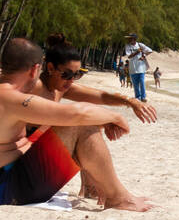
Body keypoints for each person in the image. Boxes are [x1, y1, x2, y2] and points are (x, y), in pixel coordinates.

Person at [0, 37, 131, 207]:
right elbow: (76, 114)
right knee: (82, 124)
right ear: (36, 69)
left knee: (77, 123)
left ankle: (94, 186)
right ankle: (118, 198)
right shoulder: (9, 98)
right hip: (5, 190)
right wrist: (116, 117)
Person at [32, 33, 155, 210]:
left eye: (77, 75)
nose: (71, 81)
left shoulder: (60, 86)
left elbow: (101, 96)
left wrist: (131, 102)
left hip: (39, 166)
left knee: (85, 121)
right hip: (27, 172)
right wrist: (109, 119)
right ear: (50, 68)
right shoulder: (37, 88)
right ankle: (116, 197)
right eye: (67, 74)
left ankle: (90, 188)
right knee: (83, 121)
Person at [123, 34, 153, 102]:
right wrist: (137, 51)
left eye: (131, 38)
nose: (129, 40)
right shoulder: (127, 46)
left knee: (142, 82)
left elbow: (150, 50)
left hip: (141, 68)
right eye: (129, 39)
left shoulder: (140, 45)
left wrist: (144, 56)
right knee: (135, 84)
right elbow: (129, 56)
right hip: (132, 68)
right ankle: (138, 97)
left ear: (134, 39)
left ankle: (143, 97)